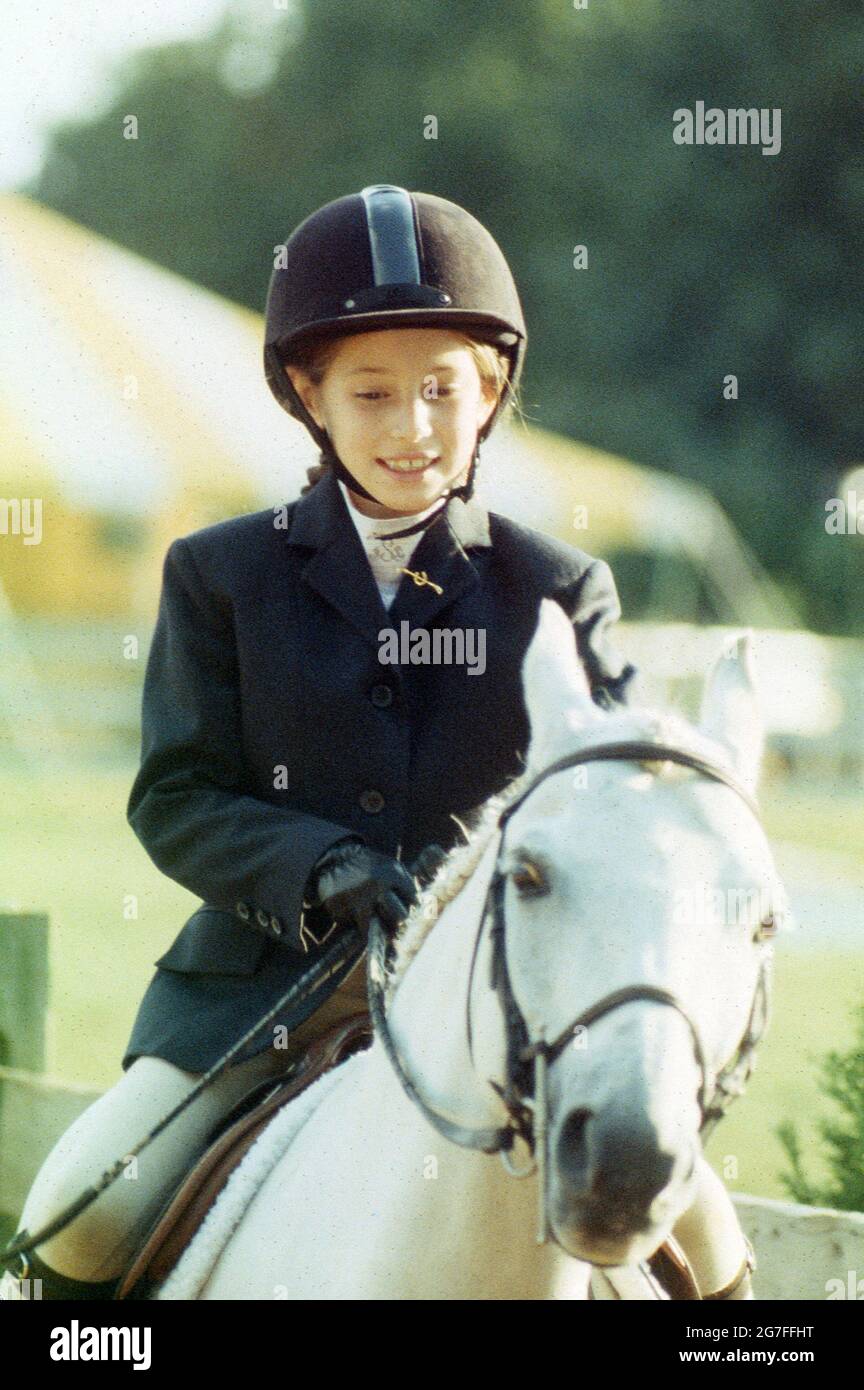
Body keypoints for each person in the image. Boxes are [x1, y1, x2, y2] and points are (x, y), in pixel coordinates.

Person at [1, 185, 752, 1302]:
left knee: (720, 1255)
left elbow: (618, 793)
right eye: (372, 392)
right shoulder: (220, 575)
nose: (412, 427)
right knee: (89, 1207)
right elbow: (179, 796)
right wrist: (320, 867)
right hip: (272, 987)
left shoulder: (555, 586)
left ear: (489, 391)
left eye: (444, 389)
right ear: (310, 396)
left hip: (507, 991)